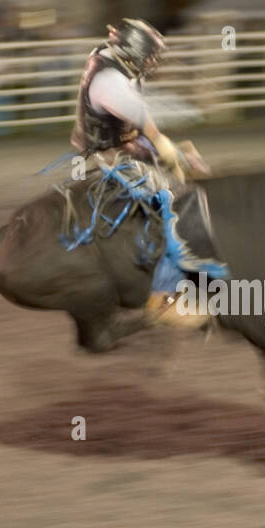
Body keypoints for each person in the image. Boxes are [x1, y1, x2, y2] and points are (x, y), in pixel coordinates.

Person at [69, 18, 217, 328]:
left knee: (188, 161)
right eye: (149, 56)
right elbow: (141, 117)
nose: (153, 63)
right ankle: (161, 299)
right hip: (108, 155)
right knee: (177, 205)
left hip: (121, 143)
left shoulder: (113, 63)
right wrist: (165, 145)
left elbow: (138, 118)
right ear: (134, 52)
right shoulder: (109, 80)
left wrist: (171, 149)